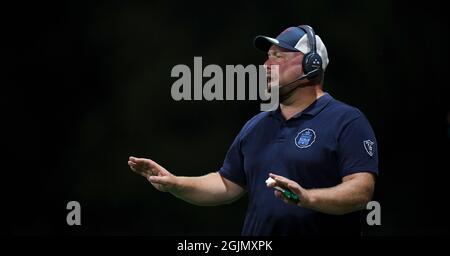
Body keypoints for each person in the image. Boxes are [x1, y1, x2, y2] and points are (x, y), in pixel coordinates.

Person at [128, 25, 379, 235]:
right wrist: (175, 183)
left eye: (278, 56)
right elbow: (226, 184)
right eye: (267, 56)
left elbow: (361, 191)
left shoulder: (347, 121)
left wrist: (308, 198)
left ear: (311, 65)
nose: (266, 64)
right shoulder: (256, 126)